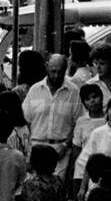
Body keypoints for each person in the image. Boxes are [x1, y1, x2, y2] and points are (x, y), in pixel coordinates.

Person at [23, 54, 83, 183]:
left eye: (60, 72)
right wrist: (28, 150)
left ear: (65, 70)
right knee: (33, 190)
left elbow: (79, 123)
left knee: (55, 190)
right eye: (53, 71)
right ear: (47, 68)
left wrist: (65, 144)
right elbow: (26, 121)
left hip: (59, 150)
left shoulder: (73, 91)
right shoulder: (35, 90)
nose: (56, 76)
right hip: (36, 148)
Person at [77, 96, 111, 181]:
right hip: (99, 183)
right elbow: (87, 161)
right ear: (107, 111)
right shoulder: (97, 133)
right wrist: (83, 188)